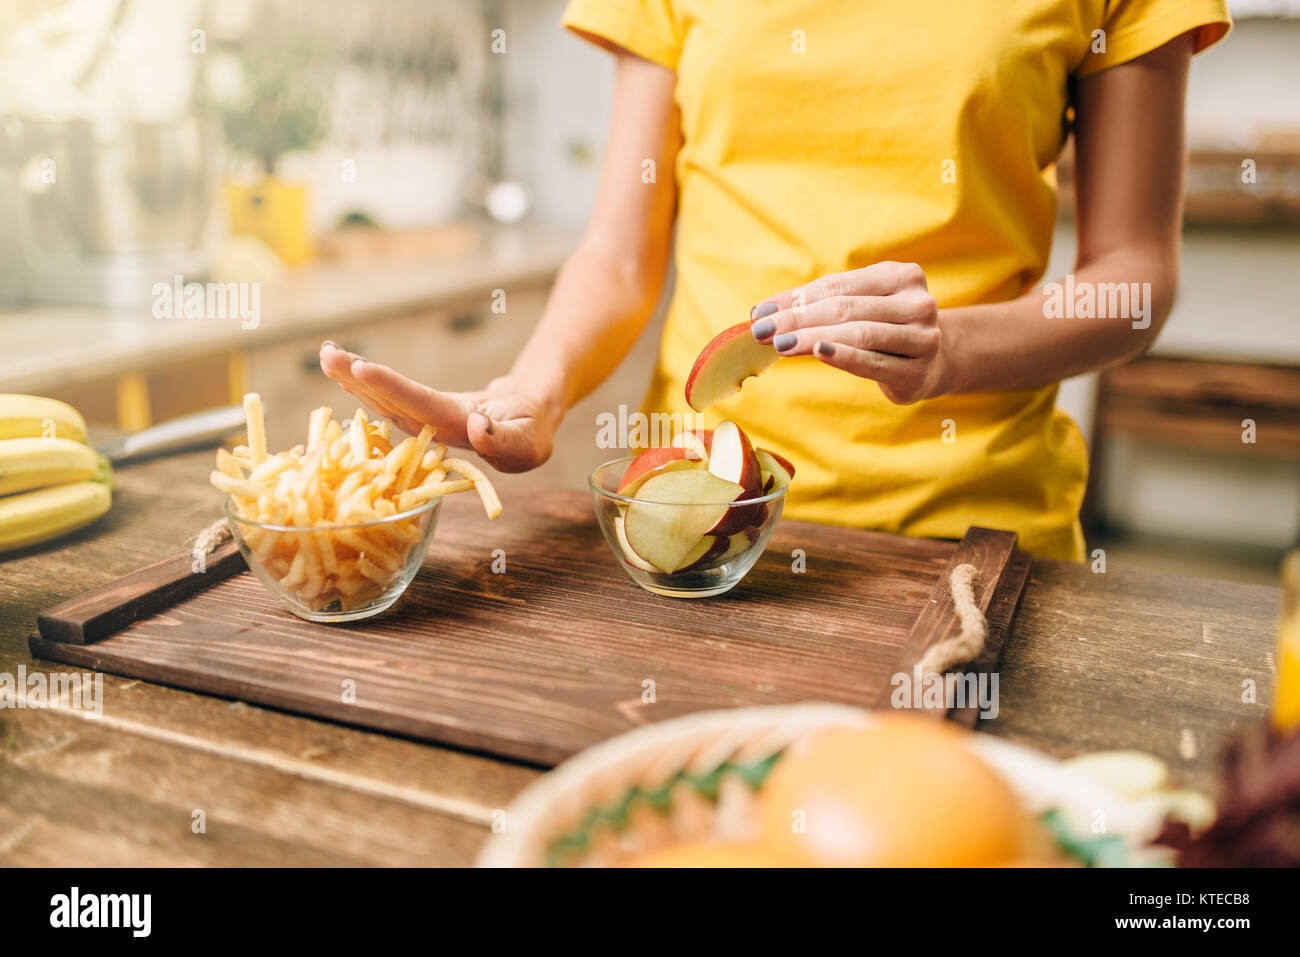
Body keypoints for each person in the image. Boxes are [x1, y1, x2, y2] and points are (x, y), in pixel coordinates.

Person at [321, 0, 1231, 560]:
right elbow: (620, 253)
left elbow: (1134, 276)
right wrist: (531, 392)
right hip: (697, 517)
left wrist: (952, 349)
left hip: (974, 535)